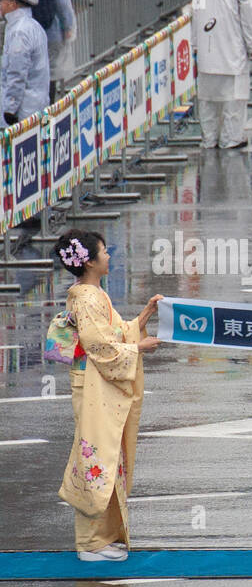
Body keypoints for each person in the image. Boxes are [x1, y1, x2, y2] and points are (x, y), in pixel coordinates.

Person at [54, 230, 164, 561]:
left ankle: (104, 536)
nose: (109, 256)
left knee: (107, 457)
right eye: (104, 251)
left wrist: (143, 317)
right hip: (91, 383)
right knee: (96, 457)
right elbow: (99, 346)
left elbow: (112, 334)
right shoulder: (88, 298)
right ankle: (90, 542)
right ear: (88, 261)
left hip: (94, 381)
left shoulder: (92, 294)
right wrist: (137, 347)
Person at [192, 0, 252, 149]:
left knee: (207, 100)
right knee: (234, 99)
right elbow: (249, 17)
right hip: (232, 51)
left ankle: (209, 139)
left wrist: (195, 44)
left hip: (207, 51)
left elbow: (196, 14)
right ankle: (231, 139)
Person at [13, 0, 76, 101]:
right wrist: (68, 26)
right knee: (48, 76)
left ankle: (29, 117)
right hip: (50, 30)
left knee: (26, 74)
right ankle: (47, 115)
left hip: (23, 32)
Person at [1, 0, 50, 125]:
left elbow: (17, 74)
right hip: (39, 106)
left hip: (23, 114)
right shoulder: (34, 26)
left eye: (3, 0)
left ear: (12, 4)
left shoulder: (19, 33)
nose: (1, 5)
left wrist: (10, 110)